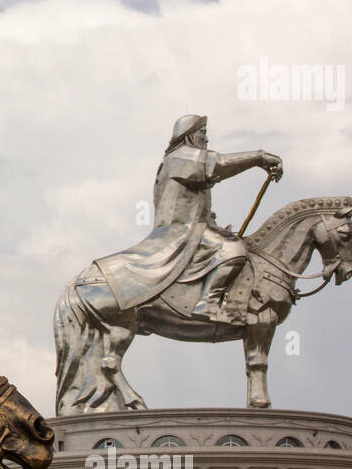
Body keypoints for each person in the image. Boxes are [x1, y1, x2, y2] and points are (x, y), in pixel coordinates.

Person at [95, 115, 283, 324]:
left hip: (193, 227)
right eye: (203, 133)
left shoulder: (177, 160)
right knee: (233, 250)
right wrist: (259, 157)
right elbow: (218, 164)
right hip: (183, 232)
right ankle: (207, 303)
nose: (206, 139)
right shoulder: (182, 157)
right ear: (189, 136)